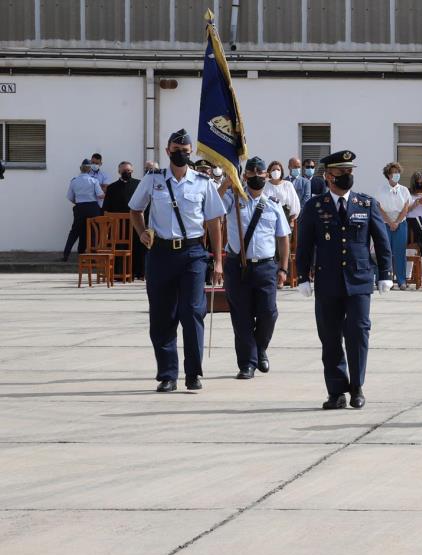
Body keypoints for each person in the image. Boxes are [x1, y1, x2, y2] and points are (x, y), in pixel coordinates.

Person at [128, 129, 226, 392]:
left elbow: (214, 223)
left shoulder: (203, 182)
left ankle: (193, 373)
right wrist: (141, 234)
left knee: (192, 311)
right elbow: (135, 209)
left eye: (185, 149)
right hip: (160, 253)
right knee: (162, 315)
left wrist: (217, 261)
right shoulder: (153, 180)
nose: (181, 152)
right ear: (168, 151)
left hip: (193, 254)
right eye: (176, 149)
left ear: (191, 151)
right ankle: (168, 374)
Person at [295, 150, 394, 410]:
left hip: (360, 279)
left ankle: (358, 387)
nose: (347, 176)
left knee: (358, 333)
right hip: (328, 281)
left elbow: (381, 241)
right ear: (328, 176)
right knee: (330, 337)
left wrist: (385, 273)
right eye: (342, 172)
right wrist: (302, 276)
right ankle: (336, 391)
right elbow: (304, 245)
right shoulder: (314, 206)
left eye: (350, 171)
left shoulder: (366, 203)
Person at [219, 157, 291, 380]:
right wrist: (226, 183)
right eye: (252, 174)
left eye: (261, 174)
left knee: (268, 312)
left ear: (267, 177)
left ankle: (260, 348)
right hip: (237, 265)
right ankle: (247, 363)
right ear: (245, 176)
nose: (257, 177)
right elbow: (211, 206)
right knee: (241, 316)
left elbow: (283, 238)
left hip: (266, 266)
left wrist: (283, 268)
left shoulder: (273, 205)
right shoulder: (233, 200)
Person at [102, 161, 146, 278]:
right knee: (118, 247)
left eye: (129, 170)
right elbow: (106, 209)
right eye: (124, 170)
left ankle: (138, 272)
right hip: (117, 226)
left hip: (135, 224)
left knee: (138, 247)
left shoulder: (139, 184)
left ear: (132, 171)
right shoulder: (112, 188)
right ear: (119, 171)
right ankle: (118, 273)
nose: (126, 172)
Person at [373, 162, 413, 290]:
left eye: (398, 172)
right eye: (393, 173)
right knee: (385, 252)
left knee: (400, 253)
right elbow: (379, 207)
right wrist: (390, 222)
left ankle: (401, 281)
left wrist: (397, 222)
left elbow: (406, 207)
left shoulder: (404, 190)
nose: (396, 175)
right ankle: (384, 280)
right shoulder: (381, 189)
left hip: (400, 223)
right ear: (388, 175)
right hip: (385, 223)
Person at [62, 158, 106, 261]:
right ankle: (94, 257)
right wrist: (105, 194)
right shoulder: (94, 180)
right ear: (90, 169)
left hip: (80, 207)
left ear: (80, 168)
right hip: (92, 207)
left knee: (75, 231)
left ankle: (66, 255)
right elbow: (100, 195)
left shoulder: (74, 181)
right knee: (94, 231)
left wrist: (78, 203)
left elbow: (70, 197)